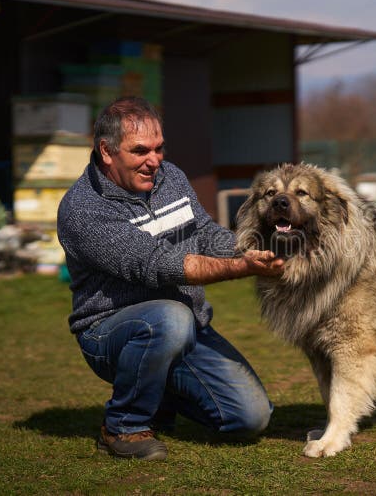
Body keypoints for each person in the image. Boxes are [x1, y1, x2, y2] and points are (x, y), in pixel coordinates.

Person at [57, 96, 284, 461]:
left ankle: (158, 392)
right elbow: (161, 265)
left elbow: (206, 233)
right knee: (169, 317)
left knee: (250, 418)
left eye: (160, 148)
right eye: (140, 151)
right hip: (111, 333)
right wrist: (245, 269)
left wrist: (250, 249)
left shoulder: (171, 177)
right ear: (106, 151)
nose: (154, 161)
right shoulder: (84, 210)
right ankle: (124, 427)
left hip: (185, 327)